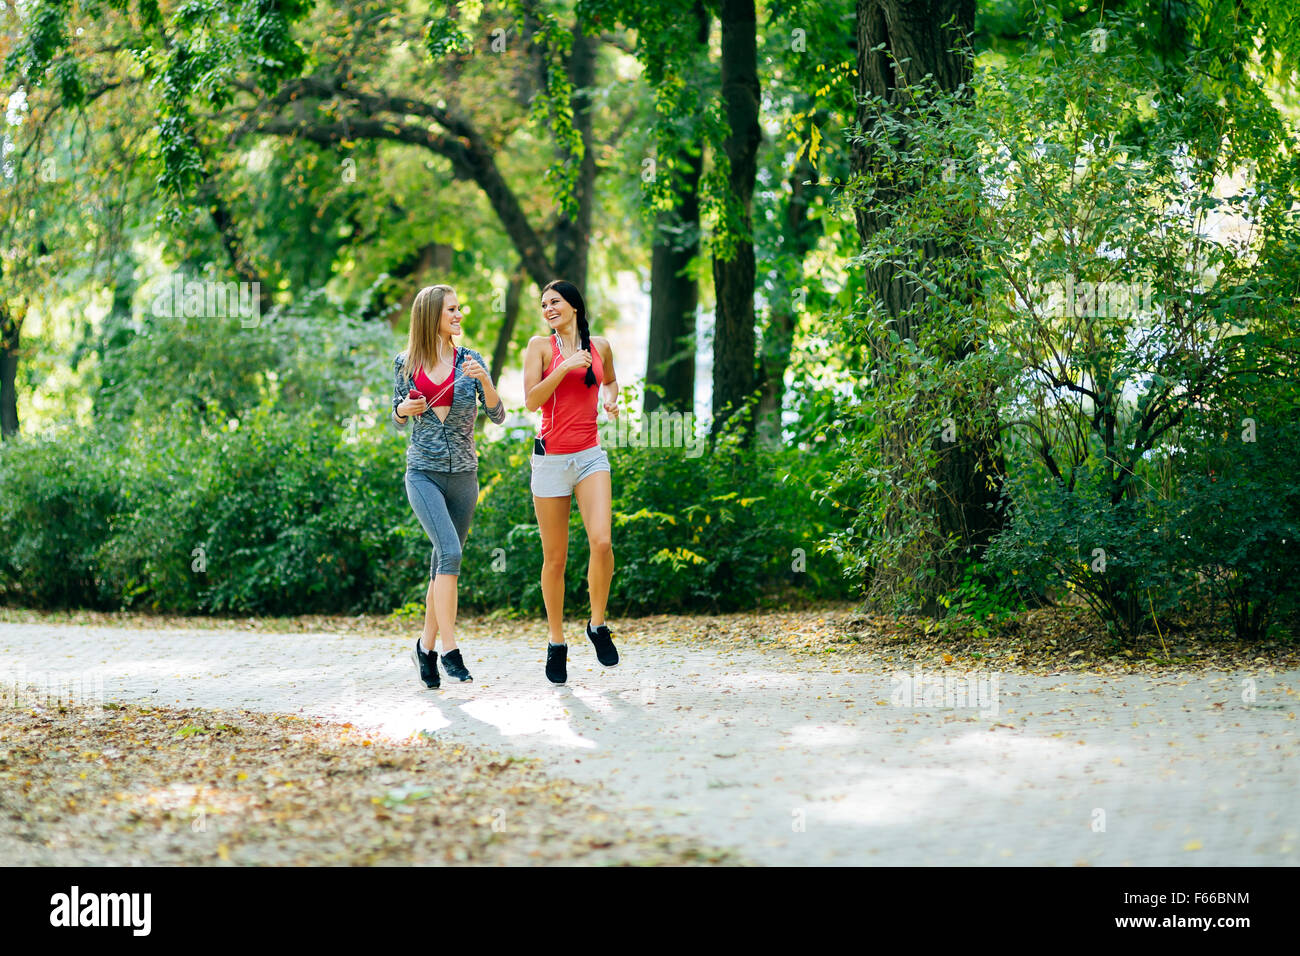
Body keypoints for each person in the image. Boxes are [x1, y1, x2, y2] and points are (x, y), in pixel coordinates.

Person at [391, 284, 505, 689]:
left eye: (459, 308)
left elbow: (498, 414)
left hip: (464, 478)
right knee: (451, 553)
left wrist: (486, 381)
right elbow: (397, 415)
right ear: (431, 316)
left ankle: (424, 648)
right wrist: (404, 408)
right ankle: (451, 651)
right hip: (423, 474)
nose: (459, 315)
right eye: (451, 310)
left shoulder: (471, 361)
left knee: (442, 564)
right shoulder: (405, 363)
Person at [522, 279, 620, 684]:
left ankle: (597, 624)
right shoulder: (539, 347)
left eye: (555, 301)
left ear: (574, 306)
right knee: (555, 559)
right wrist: (562, 367)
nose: (548, 308)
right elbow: (530, 401)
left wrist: (612, 397)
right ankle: (556, 641)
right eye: (543, 304)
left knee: (602, 541)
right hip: (550, 462)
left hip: (590, 455)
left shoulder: (600, 346)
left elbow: (610, 380)